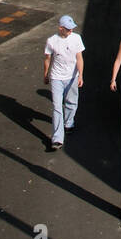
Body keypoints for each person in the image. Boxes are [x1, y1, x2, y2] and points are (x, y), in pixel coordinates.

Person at [43, 15, 84, 151]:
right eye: (68, 29)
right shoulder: (52, 41)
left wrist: (80, 76)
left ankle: (69, 123)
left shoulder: (76, 38)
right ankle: (57, 138)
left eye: (72, 28)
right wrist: (46, 74)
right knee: (57, 107)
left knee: (72, 102)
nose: (71, 31)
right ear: (61, 28)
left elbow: (79, 58)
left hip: (72, 77)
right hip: (56, 77)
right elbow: (47, 59)